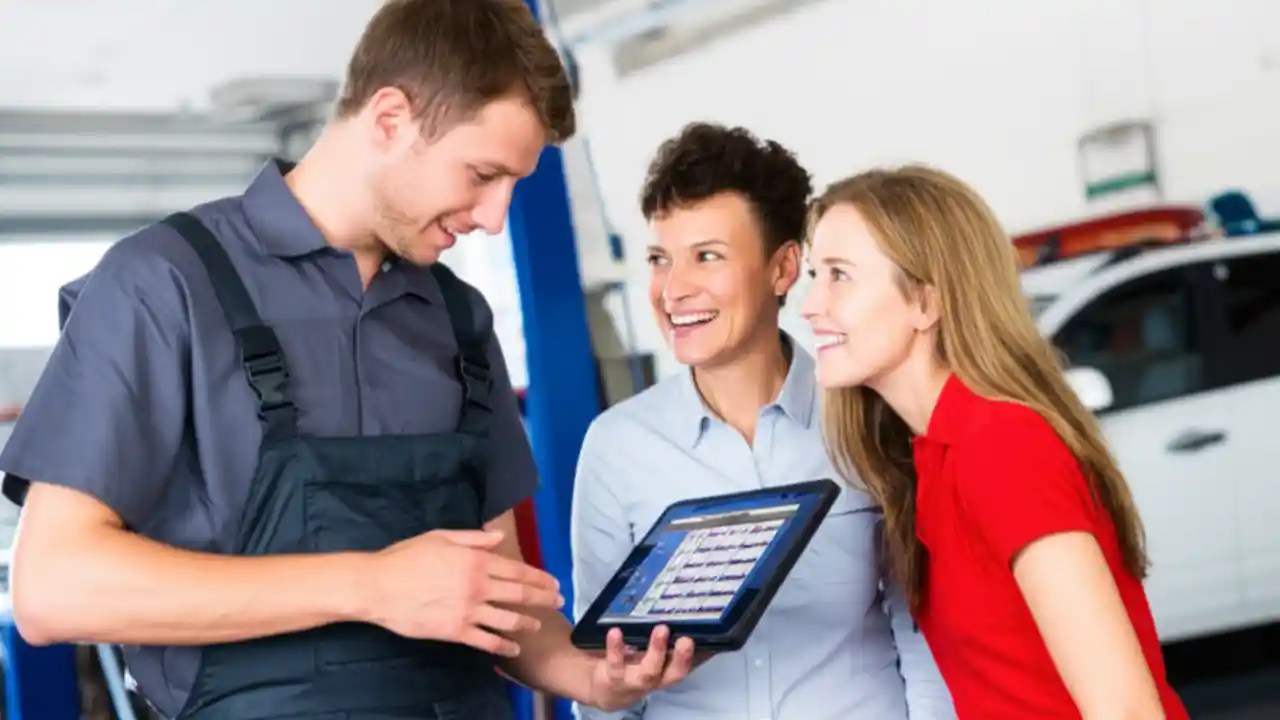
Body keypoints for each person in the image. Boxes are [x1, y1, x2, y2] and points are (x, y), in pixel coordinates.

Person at [0, 2, 694, 718]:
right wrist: (370, 585)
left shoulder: (457, 320)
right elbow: (53, 588)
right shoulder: (163, 284)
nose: (493, 216)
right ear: (390, 118)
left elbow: (498, 592)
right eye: (482, 174)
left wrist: (590, 676)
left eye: (512, 185)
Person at [570, 123, 955, 720]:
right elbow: (602, 680)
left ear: (782, 269)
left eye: (708, 257)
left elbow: (923, 630)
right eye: (659, 259)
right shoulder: (616, 448)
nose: (673, 289)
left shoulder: (864, 418)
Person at [800, 164, 1189, 720]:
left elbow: (1125, 710)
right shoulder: (930, 456)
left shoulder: (1000, 446)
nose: (811, 305)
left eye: (839, 275)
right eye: (815, 274)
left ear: (925, 303)